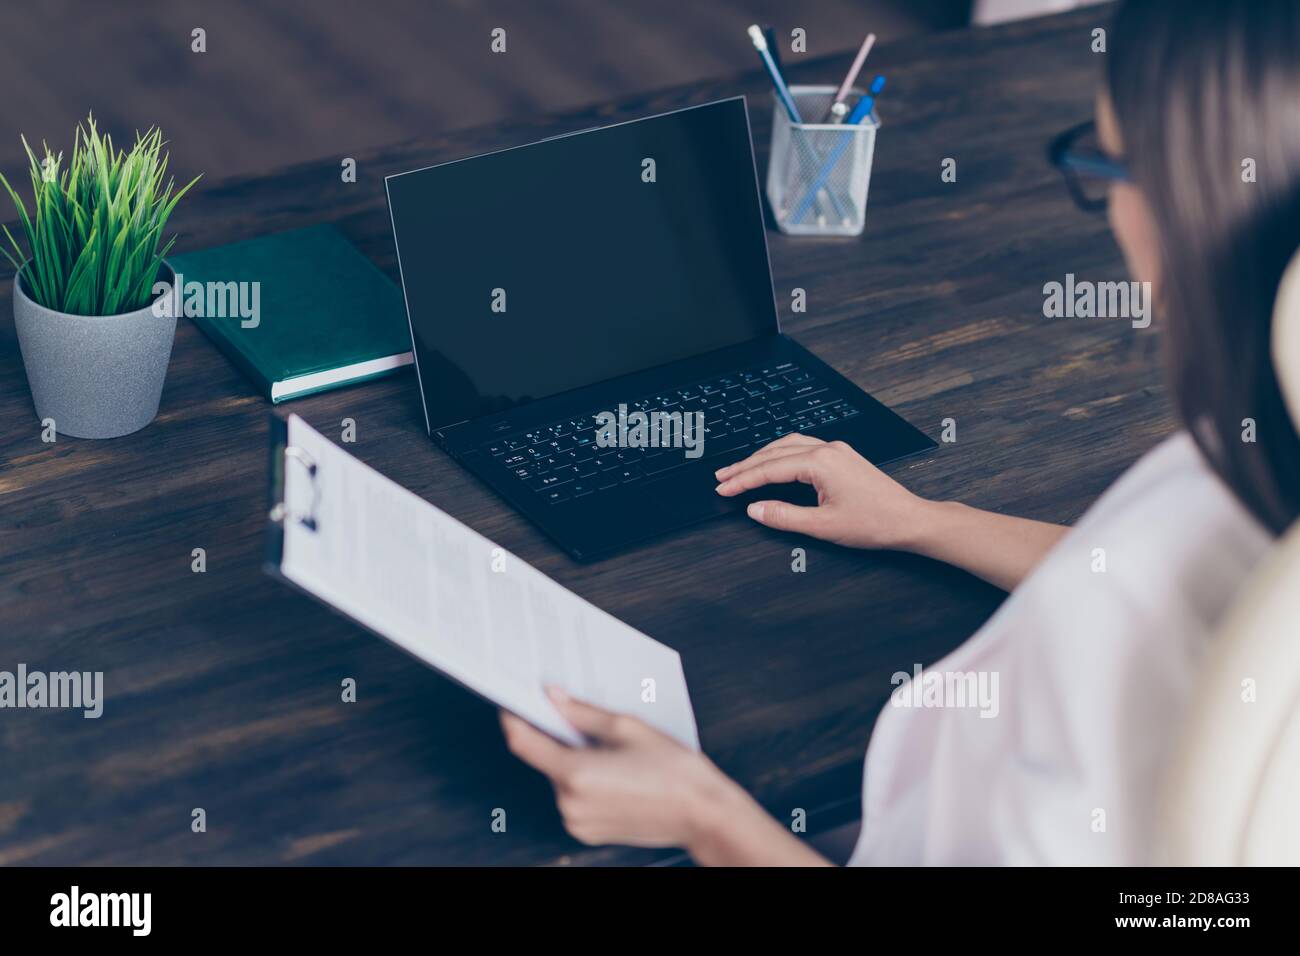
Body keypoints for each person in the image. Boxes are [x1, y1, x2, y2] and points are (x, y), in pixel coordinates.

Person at [500, 0, 1300, 865]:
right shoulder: (1251, 472)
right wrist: (921, 519)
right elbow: (1211, 590)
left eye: (1105, 164)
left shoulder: (1133, 604)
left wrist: (705, 817)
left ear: (1182, 197)